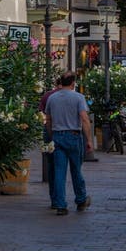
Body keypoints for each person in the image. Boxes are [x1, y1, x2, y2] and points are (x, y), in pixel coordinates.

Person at [45, 71, 93, 216]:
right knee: (76, 170)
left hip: (57, 136)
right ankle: (81, 199)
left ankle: (60, 204)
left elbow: (48, 120)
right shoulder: (78, 97)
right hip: (74, 136)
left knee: (59, 172)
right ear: (73, 83)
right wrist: (89, 139)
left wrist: (52, 135)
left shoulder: (52, 98)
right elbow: (84, 118)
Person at [39, 76, 62, 209]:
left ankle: (54, 199)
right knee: (62, 167)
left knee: (51, 165)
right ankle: (60, 199)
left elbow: (41, 113)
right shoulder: (71, 96)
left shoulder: (47, 95)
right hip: (64, 131)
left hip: (48, 131)